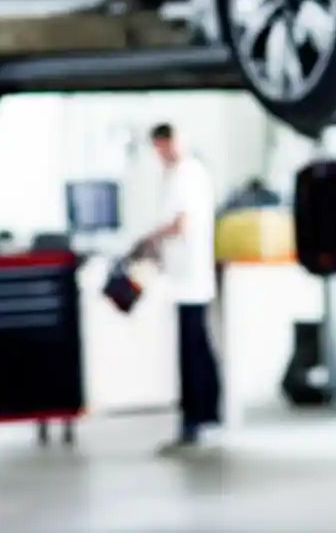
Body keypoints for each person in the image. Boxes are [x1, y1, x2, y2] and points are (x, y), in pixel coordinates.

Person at [139, 122, 222, 452]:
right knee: (195, 346)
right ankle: (201, 415)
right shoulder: (176, 174)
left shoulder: (188, 173)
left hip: (192, 276)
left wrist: (151, 239)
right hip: (182, 276)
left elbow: (181, 223)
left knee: (193, 349)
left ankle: (198, 418)